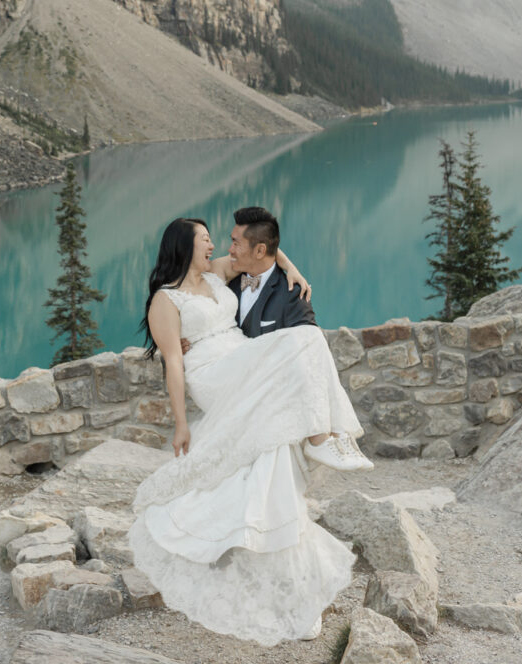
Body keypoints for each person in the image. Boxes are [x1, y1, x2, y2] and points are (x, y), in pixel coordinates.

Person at [129, 212, 371, 645]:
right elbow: (173, 362)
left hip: (245, 362)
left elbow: (264, 249)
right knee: (306, 339)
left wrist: (291, 269)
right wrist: (182, 423)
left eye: (215, 240)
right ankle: (323, 439)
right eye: (206, 239)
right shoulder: (165, 301)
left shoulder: (219, 273)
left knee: (274, 455)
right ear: (184, 247)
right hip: (214, 375)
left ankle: (297, 595)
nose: (215, 246)